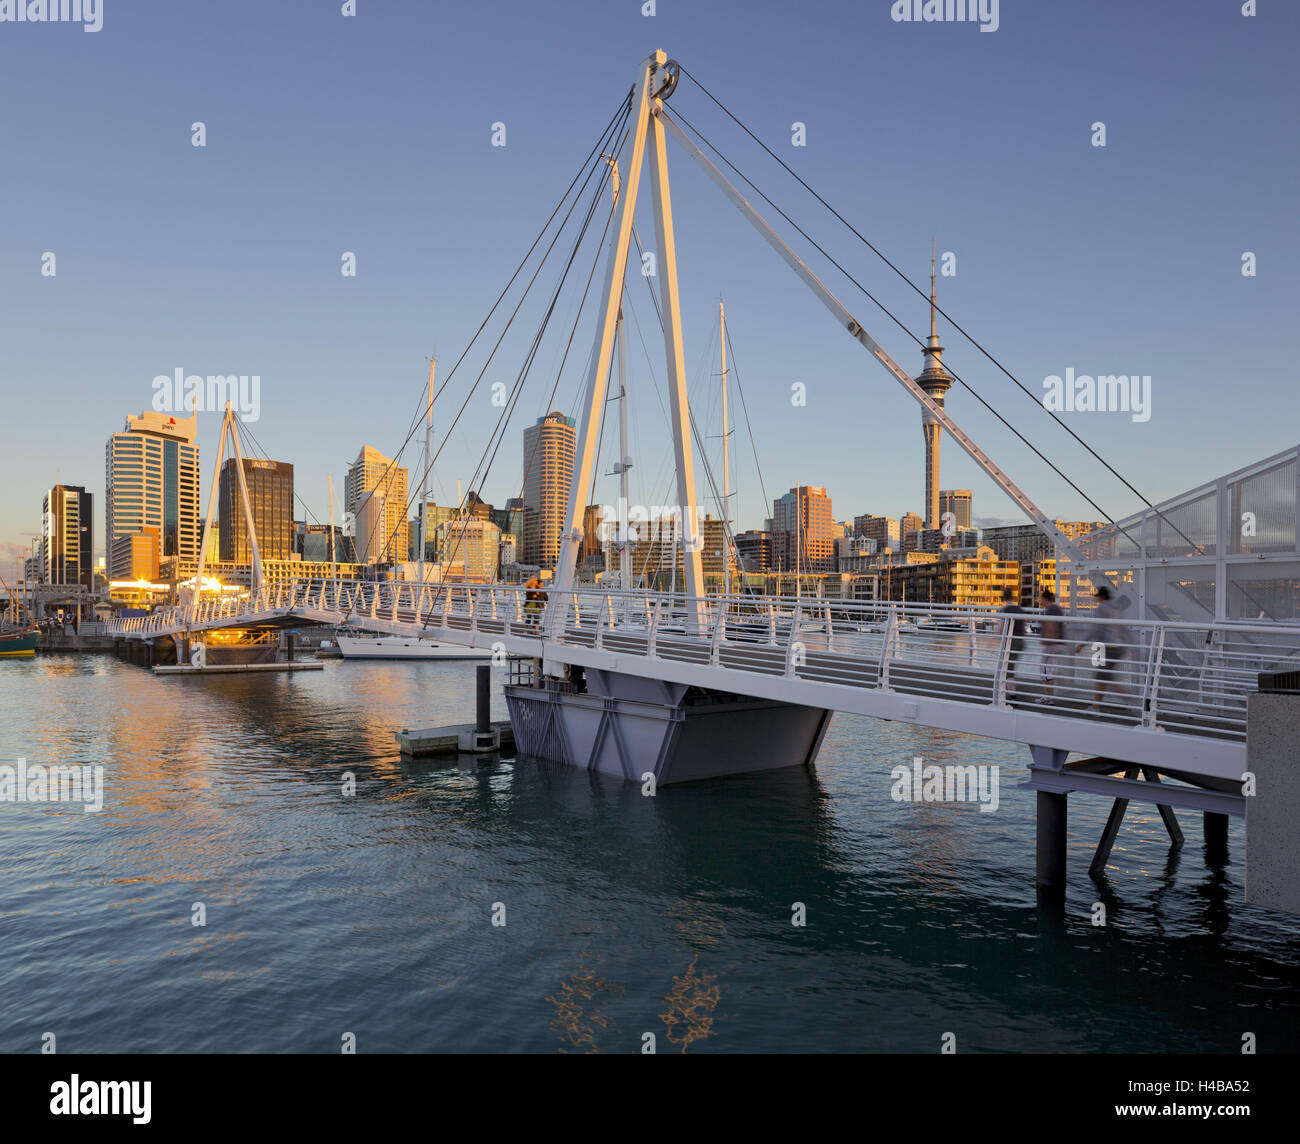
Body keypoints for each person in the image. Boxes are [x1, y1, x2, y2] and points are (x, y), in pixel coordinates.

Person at [1076, 585, 1132, 711]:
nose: (1095, 600)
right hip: (1117, 647)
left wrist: (1081, 644)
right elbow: (1123, 629)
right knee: (1101, 677)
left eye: (1096, 597)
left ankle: (1133, 701)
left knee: (1104, 678)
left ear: (1100, 597)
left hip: (1105, 647)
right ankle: (1096, 705)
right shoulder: (1117, 609)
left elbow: (1094, 629)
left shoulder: (1102, 608)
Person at [1036, 588, 1067, 704]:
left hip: (1051, 644)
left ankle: (1048, 698)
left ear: (1045, 599)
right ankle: (1049, 697)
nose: (1040, 601)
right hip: (1057, 643)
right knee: (1048, 670)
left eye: (1041, 599)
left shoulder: (1050, 610)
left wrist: (1045, 642)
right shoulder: (1056, 608)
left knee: (1044, 671)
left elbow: (1050, 627)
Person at [996, 587, 1027, 698]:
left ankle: (1012, 695)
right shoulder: (1020, 609)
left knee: (1008, 669)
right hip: (1021, 642)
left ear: (1004, 598)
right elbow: (1024, 629)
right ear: (1013, 598)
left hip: (1011, 642)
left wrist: (993, 641)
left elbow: (1000, 630)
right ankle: (1011, 687)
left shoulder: (1004, 610)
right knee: (1010, 667)